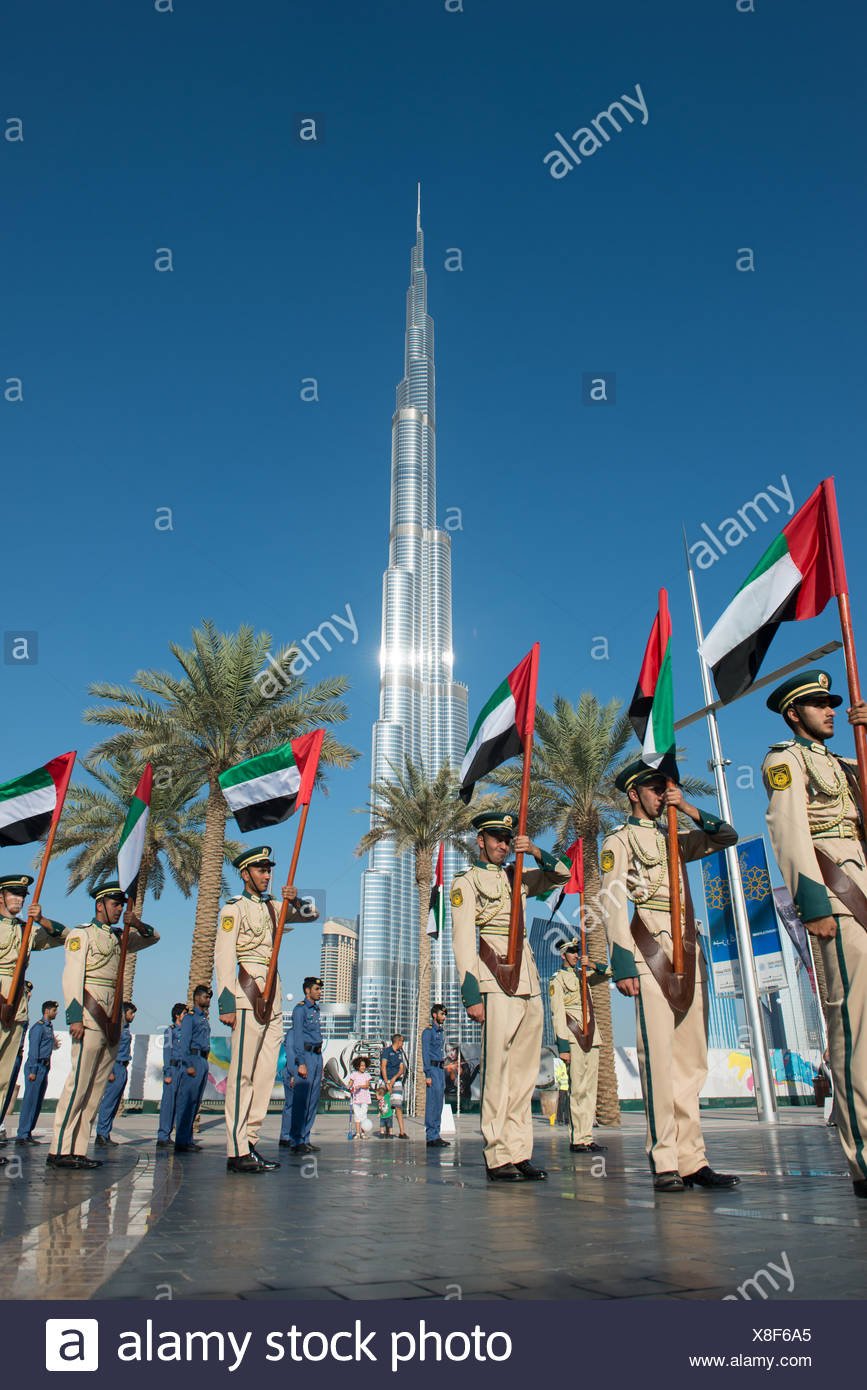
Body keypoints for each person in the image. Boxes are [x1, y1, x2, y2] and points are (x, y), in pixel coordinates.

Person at [599, 760, 740, 1193]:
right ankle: (665, 1161)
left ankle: (693, 1159)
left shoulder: (675, 835)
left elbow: (726, 836)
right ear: (633, 794)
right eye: (656, 789)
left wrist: (690, 808)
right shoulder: (619, 841)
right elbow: (611, 903)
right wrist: (622, 963)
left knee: (691, 1061)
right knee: (659, 1061)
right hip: (649, 952)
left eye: (666, 789)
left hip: (687, 950)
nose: (663, 795)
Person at [761, 670, 867, 1200]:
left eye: (832, 703)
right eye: (819, 704)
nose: (830, 710)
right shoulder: (786, 760)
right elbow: (789, 829)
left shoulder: (848, 765)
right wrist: (814, 902)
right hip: (838, 890)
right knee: (852, 1029)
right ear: (793, 714)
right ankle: (865, 1157)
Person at [451, 810, 571, 1182]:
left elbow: (562, 875)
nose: (504, 846)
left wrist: (533, 849)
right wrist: (470, 992)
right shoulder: (466, 882)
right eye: (497, 839)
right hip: (494, 978)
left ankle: (519, 1151)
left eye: (508, 840)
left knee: (523, 1074)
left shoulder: (515, 877)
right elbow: (462, 940)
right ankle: (497, 1152)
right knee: (499, 1073)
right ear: (481, 841)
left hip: (529, 981)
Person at [216, 845, 317, 1174]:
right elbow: (224, 956)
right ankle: (235, 1147)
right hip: (247, 993)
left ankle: (250, 1141)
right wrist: (226, 1000)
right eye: (261, 870)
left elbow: (311, 915)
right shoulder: (233, 909)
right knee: (242, 1074)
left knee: (263, 1075)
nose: (268, 875)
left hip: (272, 994)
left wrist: (296, 899)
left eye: (269, 869)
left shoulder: (275, 906)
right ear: (245, 874)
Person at [48, 881, 159, 1171]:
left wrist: (137, 922)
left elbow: (153, 937)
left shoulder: (120, 937)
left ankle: (77, 1148)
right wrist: (73, 1017)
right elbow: (72, 977)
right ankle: (59, 1147)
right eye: (114, 904)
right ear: (100, 905)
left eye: (122, 904)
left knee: (96, 1088)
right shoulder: (81, 935)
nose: (119, 908)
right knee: (78, 1084)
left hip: (111, 1019)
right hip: (88, 1013)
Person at [0, 874, 67, 1165]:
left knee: (3, 1079)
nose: (20, 900)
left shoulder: (27, 930)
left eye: (23, 896)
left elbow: (64, 936)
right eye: (14, 894)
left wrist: (41, 920)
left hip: (17, 1006)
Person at [549, 938, 610, 1153]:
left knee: (590, 1089)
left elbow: (610, 972)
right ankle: (577, 1139)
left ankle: (587, 1136)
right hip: (573, 1035)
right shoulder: (557, 980)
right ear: (563, 955)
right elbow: (557, 1015)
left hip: (592, 1035)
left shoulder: (583, 974)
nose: (576, 955)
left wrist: (591, 964)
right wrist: (563, 1047)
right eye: (572, 952)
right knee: (578, 1088)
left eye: (578, 951)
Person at [283, 976, 324, 1154]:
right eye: (316, 989)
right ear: (307, 991)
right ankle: (295, 1140)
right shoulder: (300, 1010)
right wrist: (300, 1063)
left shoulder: (316, 1010)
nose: (319, 992)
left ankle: (305, 1137)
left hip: (316, 1055)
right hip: (305, 1056)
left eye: (320, 989)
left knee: (313, 1100)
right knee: (301, 1101)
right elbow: (298, 1037)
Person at [15, 997, 60, 1144]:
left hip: (44, 1066)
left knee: (37, 1101)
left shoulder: (48, 1027)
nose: (56, 1013)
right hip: (36, 1066)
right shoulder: (38, 1027)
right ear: (47, 1011)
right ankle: (22, 1134)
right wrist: (33, 1070)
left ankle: (28, 1132)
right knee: (30, 1100)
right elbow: (33, 1051)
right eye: (54, 1010)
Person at [174, 984, 212, 1152]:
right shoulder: (190, 1018)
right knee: (186, 1101)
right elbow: (185, 1043)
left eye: (209, 997)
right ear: (197, 998)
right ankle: (181, 1141)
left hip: (202, 1060)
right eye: (205, 997)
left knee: (195, 1101)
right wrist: (188, 1064)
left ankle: (188, 1139)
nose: (208, 1000)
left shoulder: (203, 1018)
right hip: (193, 1058)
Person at [94, 1001, 137, 1146]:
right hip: (116, 1066)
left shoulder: (125, 1029)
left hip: (123, 1066)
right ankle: (101, 1134)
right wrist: (110, 1071)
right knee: (109, 1102)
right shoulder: (116, 1029)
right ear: (124, 1013)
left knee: (115, 1102)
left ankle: (106, 1133)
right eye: (131, 1013)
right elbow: (108, 1051)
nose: (133, 1016)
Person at [156, 1002, 187, 1148]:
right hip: (173, 1069)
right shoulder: (171, 1031)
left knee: (178, 1104)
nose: (186, 1016)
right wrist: (167, 1072)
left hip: (183, 1069)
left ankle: (170, 1134)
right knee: (168, 1103)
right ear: (177, 1015)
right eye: (184, 1014)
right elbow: (167, 1052)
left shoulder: (186, 1032)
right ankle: (163, 1135)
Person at [422, 1003, 449, 1147]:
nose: (444, 1017)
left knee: (439, 1102)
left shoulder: (440, 1032)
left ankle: (436, 1133)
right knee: (432, 1102)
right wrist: (427, 1073)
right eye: (442, 1014)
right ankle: (431, 1135)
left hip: (440, 1069)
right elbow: (425, 1053)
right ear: (435, 1015)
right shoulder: (428, 1031)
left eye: (445, 1015)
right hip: (432, 1069)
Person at [380, 1032, 408, 1138]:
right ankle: (385, 1130)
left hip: (396, 1081)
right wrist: (387, 1082)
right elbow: (383, 1067)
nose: (402, 1043)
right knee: (384, 1105)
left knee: (398, 1105)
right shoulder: (387, 1051)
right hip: (385, 1081)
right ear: (398, 1041)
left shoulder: (399, 1053)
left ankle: (402, 1131)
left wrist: (394, 1079)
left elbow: (401, 1069)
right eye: (402, 1041)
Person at [348, 1055, 372, 1139]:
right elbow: (350, 1083)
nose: (363, 1067)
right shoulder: (354, 1074)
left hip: (364, 1098)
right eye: (361, 1065)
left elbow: (367, 1085)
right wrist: (348, 1086)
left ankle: (363, 1133)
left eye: (364, 1066)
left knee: (363, 1115)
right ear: (357, 1066)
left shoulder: (367, 1075)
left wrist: (360, 1086)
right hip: (356, 1098)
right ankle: (357, 1133)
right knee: (357, 1115)